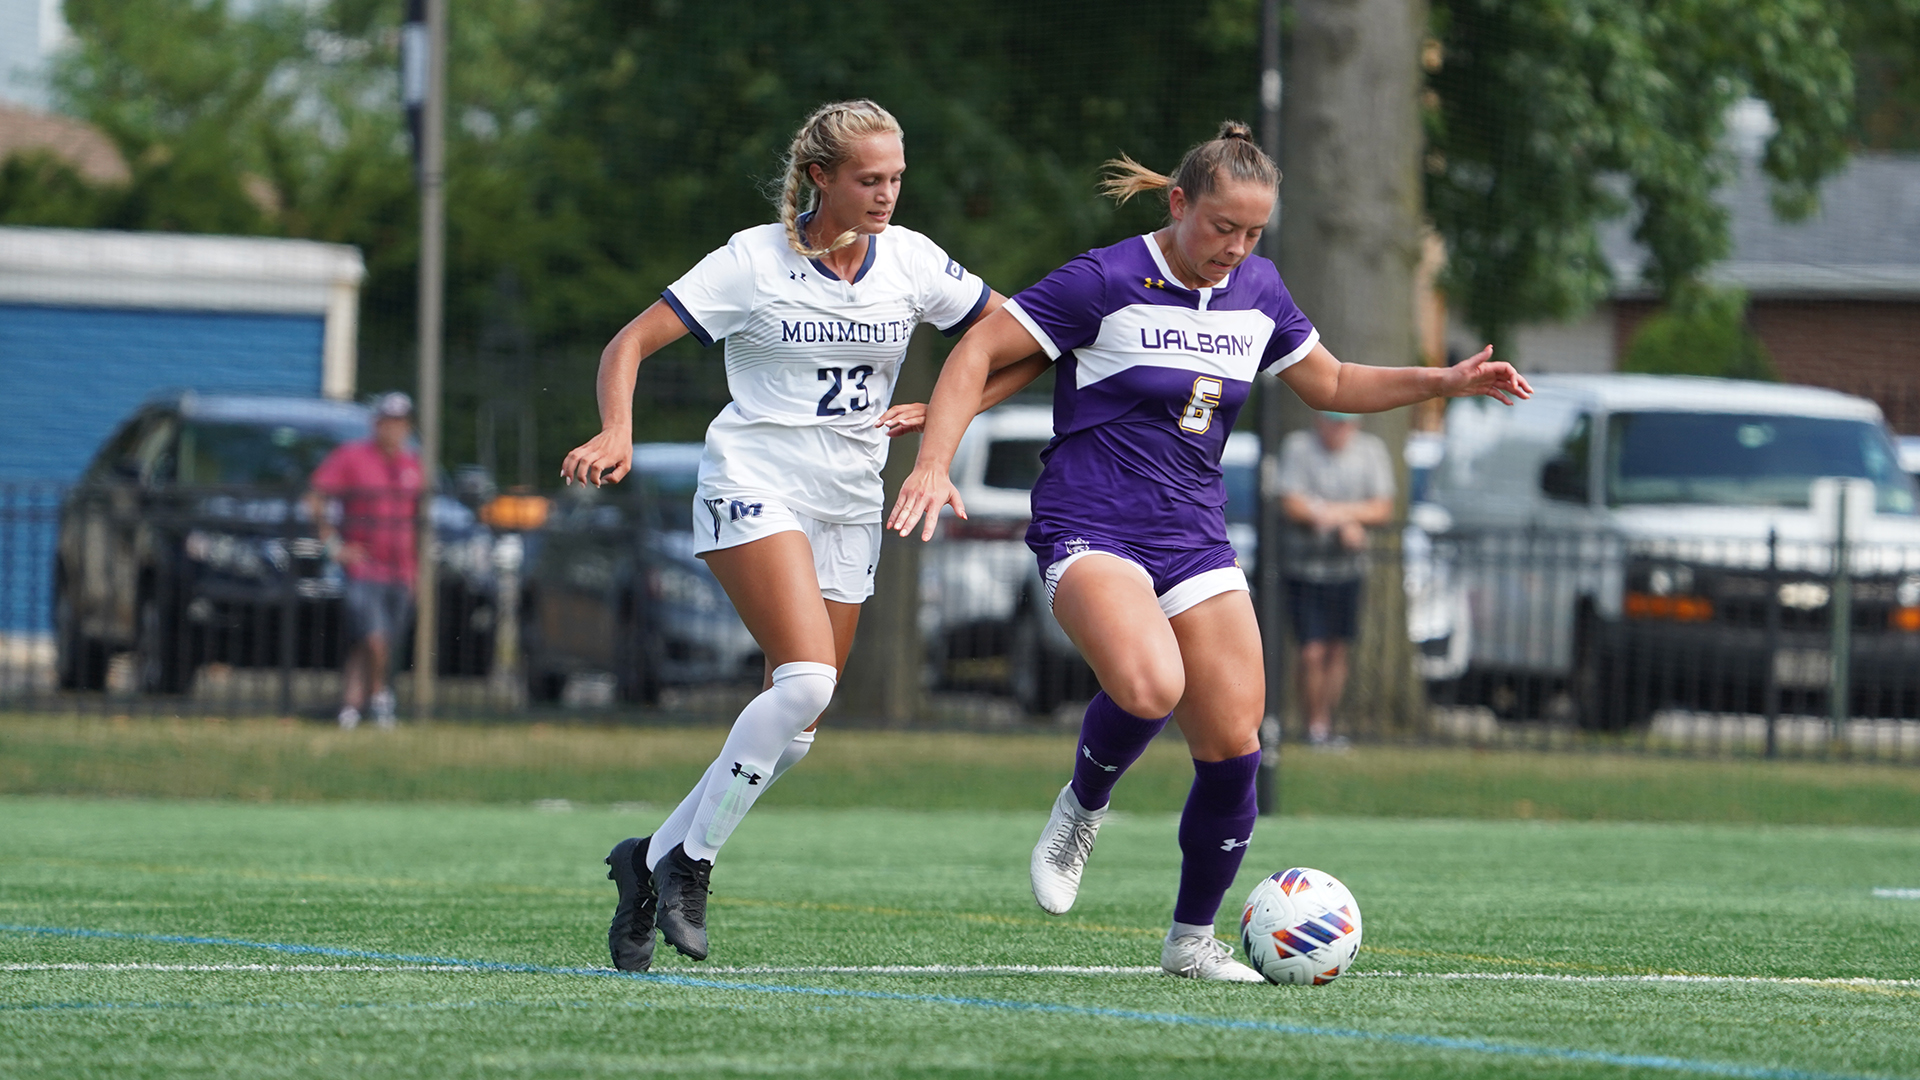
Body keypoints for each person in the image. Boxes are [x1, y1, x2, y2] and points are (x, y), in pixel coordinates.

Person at [888, 121, 1529, 981]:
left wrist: (1441, 381)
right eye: (1222, 227)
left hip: (1193, 532)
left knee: (1237, 750)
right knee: (1151, 684)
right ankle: (1084, 804)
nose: (1236, 247)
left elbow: (1331, 383)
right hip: (1092, 520)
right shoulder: (1106, 277)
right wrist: (934, 463)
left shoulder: (1258, 290)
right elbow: (979, 350)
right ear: (1179, 202)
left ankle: (1191, 941)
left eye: (1253, 233)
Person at [561, 100, 1043, 972]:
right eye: (869, 179)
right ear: (819, 177)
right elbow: (628, 344)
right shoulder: (752, 260)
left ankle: (648, 859)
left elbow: (1025, 343)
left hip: (850, 500)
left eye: (895, 178)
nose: (886, 194)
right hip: (754, 481)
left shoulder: (914, 261)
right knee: (807, 676)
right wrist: (617, 431)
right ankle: (693, 868)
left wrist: (948, 406)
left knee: (801, 725)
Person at [1275, 410, 1395, 748]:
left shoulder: (1370, 451)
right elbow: (1291, 503)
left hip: (1348, 569)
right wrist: (1332, 518)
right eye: (1332, 423)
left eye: (1345, 424)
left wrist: (1339, 517)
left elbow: (1382, 507)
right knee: (1311, 650)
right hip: (1305, 567)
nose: (1338, 431)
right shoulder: (1298, 448)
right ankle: (1312, 725)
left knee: (1337, 650)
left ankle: (1325, 723)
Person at [307, 391, 425, 730]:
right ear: (377, 424)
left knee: (375, 641)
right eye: (388, 422)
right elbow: (315, 497)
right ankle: (381, 698)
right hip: (364, 566)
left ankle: (350, 706)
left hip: (401, 569)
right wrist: (334, 546)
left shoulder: (413, 465)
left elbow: (418, 522)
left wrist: (416, 571)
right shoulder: (351, 457)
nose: (394, 430)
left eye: (401, 424)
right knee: (373, 636)